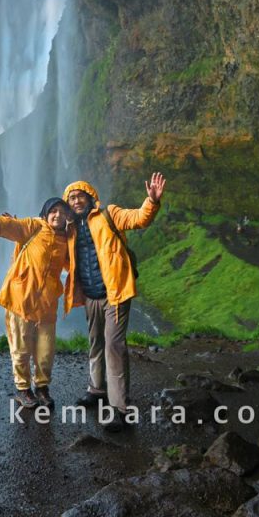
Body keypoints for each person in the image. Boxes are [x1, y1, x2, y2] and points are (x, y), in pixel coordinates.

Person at [63, 173, 165, 431]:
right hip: (89, 295)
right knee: (95, 342)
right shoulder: (70, 229)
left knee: (114, 346)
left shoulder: (109, 214)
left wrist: (151, 201)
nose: (76, 201)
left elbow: (139, 218)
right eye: (71, 198)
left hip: (115, 293)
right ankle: (97, 389)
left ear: (90, 197)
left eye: (80, 196)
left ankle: (120, 408)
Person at [0, 194, 72, 409]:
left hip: (47, 303)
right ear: (45, 214)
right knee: (21, 348)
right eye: (53, 211)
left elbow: (74, 265)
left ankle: (42, 388)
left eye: (62, 213)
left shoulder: (67, 239)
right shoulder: (33, 226)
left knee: (46, 351)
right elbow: (2, 225)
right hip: (21, 298)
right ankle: (23, 389)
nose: (58, 215)